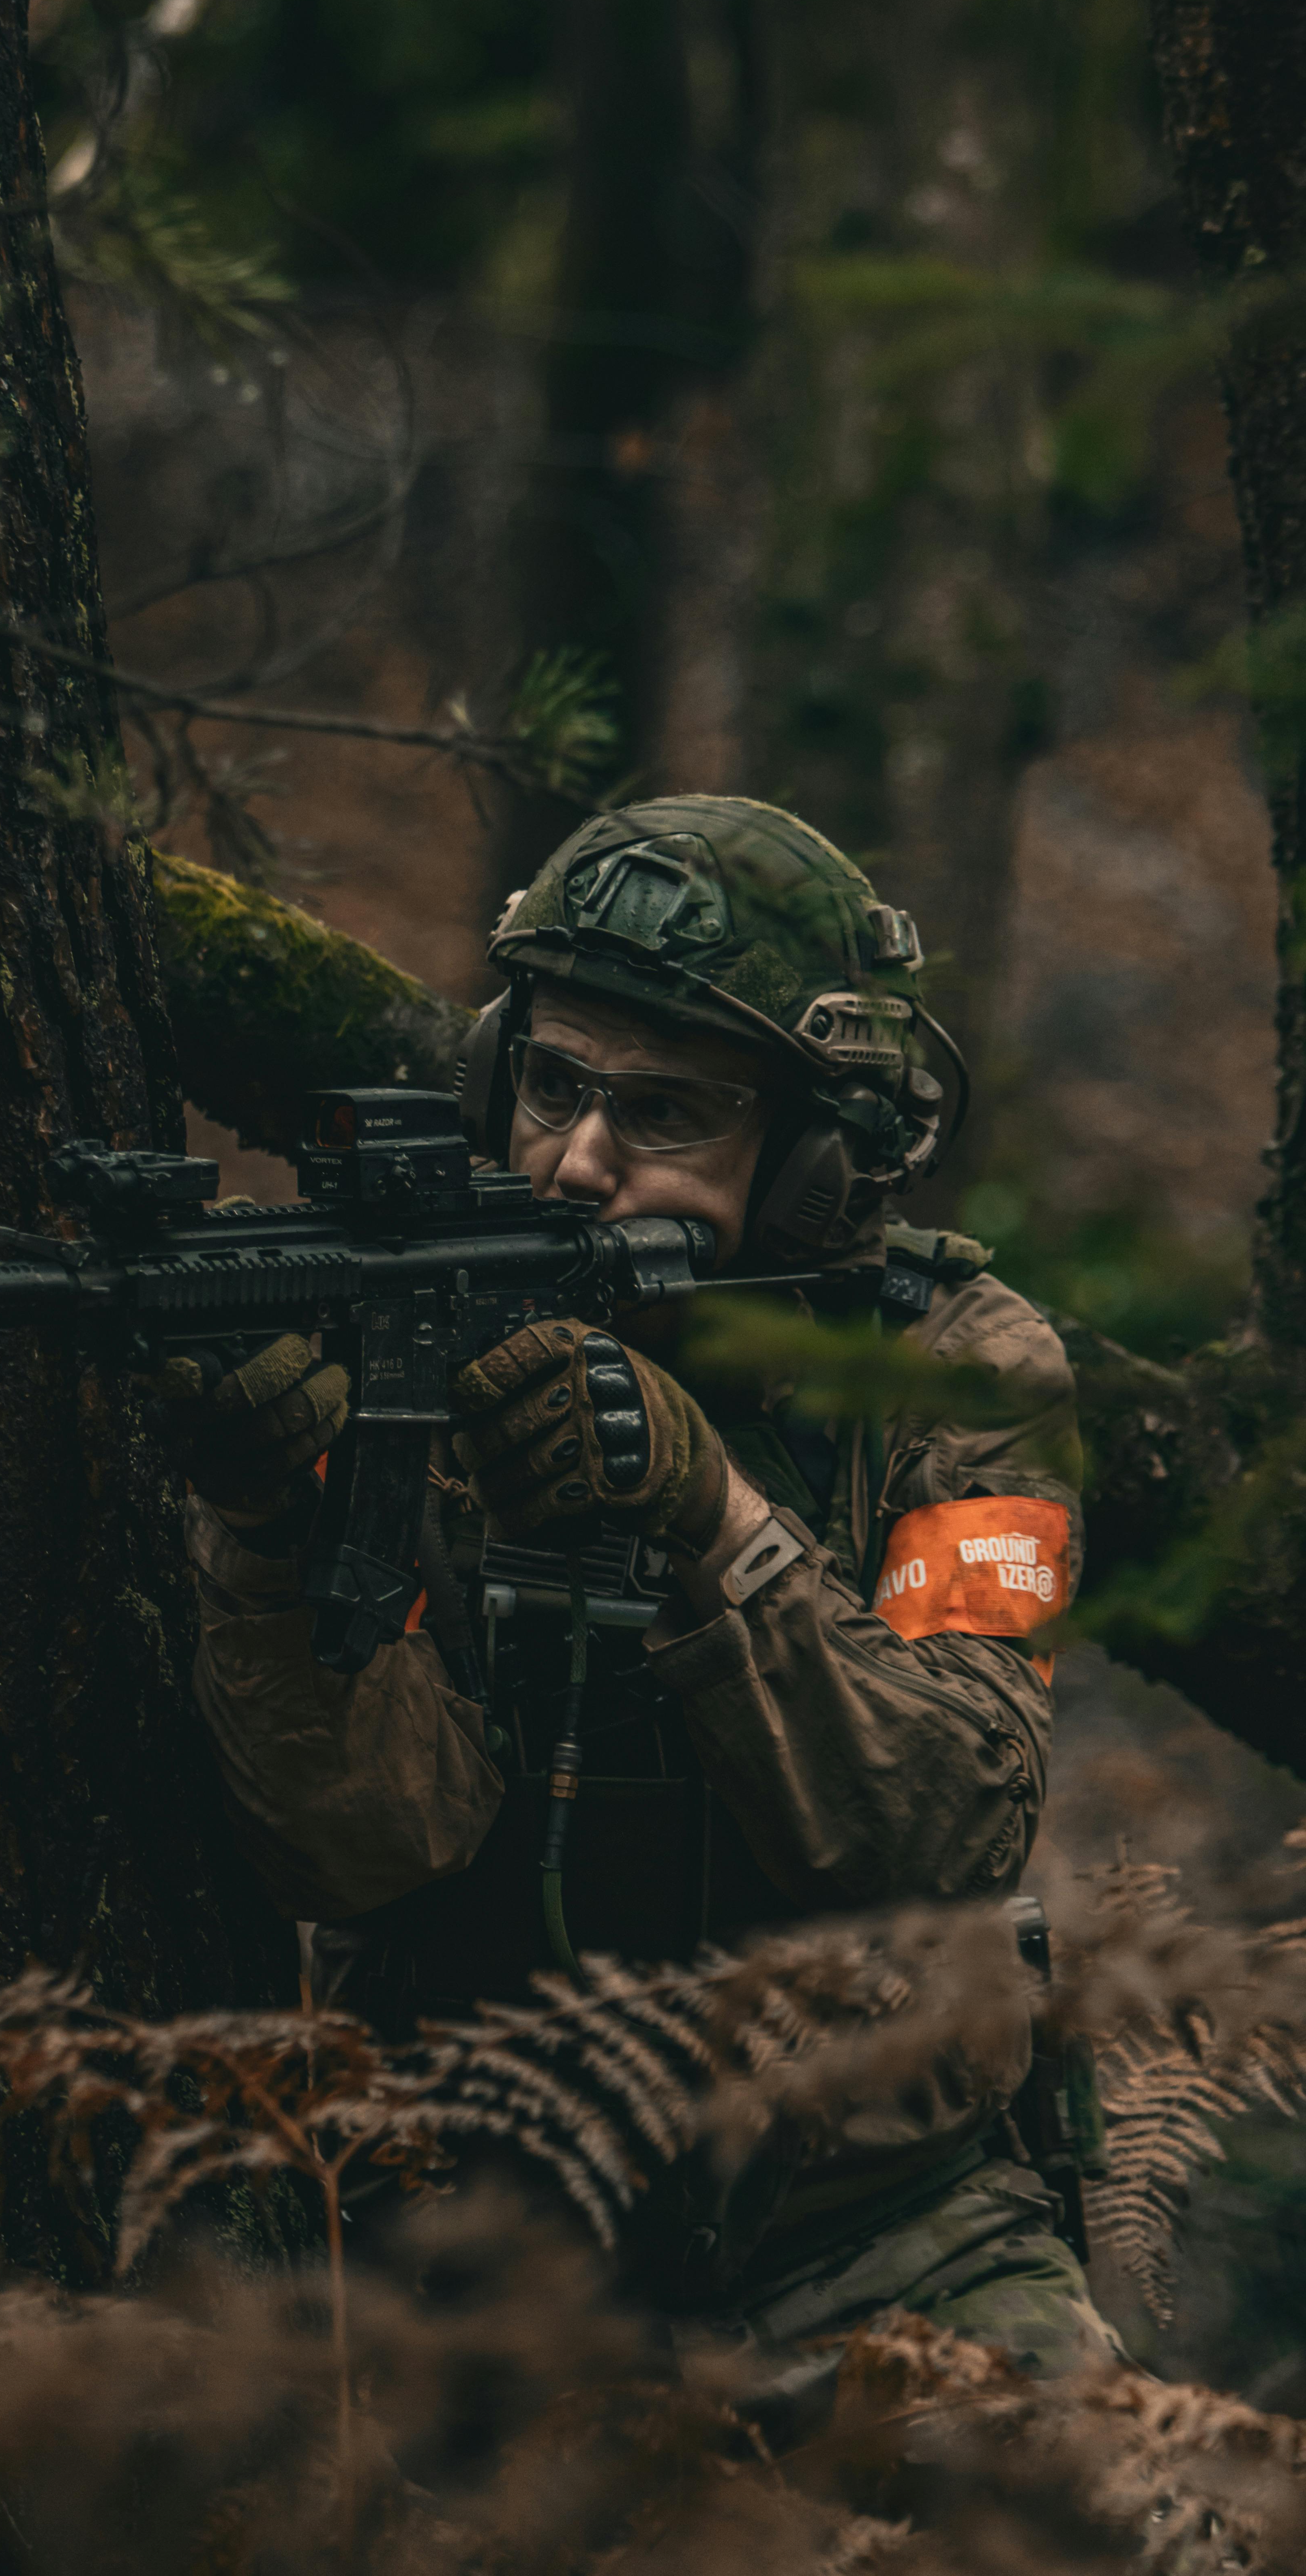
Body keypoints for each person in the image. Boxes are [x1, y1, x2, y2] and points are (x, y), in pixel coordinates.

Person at [182, 797, 1117, 2437]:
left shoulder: (956, 1378)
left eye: (662, 1112)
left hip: (881, 2234)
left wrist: (709, 1520)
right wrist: (283, 1525)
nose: (576, 1163)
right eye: (548, 1086)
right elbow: (364, 1851)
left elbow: (945, 1816)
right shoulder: (429, 1337)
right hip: (477, 2267)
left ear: (821, 1159)